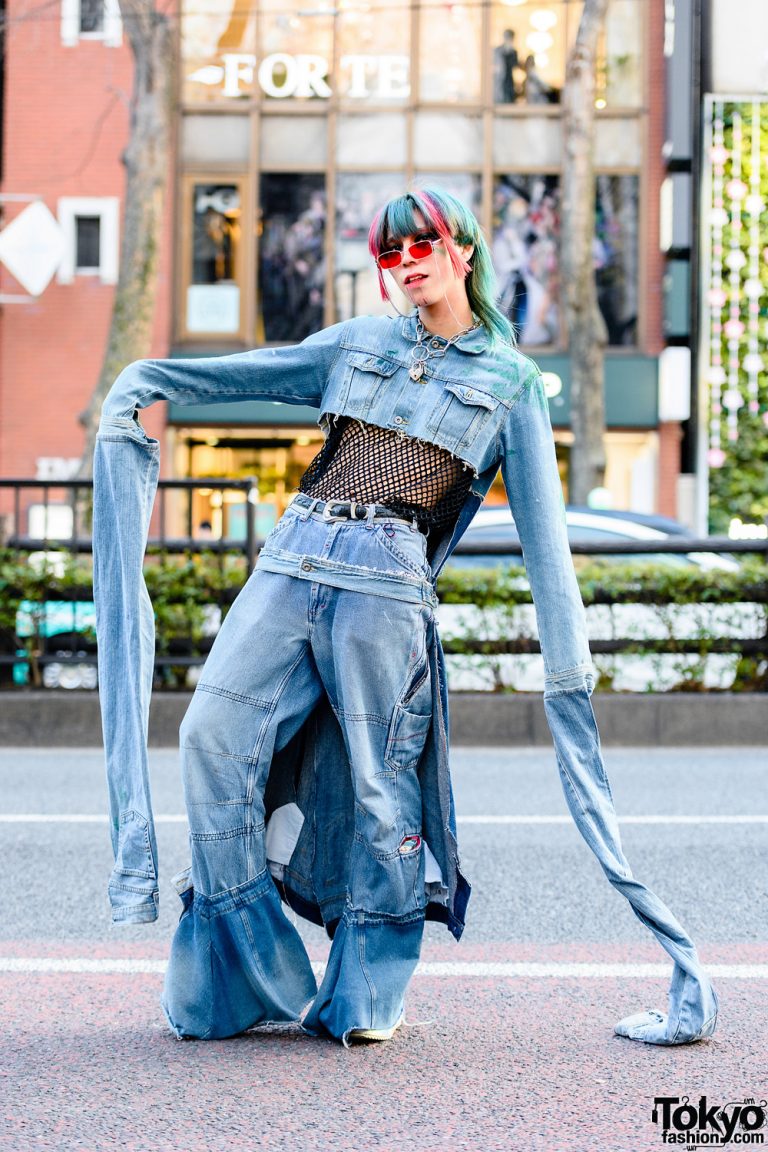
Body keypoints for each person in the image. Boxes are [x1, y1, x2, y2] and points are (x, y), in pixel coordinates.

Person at [93, 187, 718, 1048]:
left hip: (388, 591)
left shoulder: (511, 383)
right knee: (208, 737)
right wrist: (146, 383)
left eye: (422, 243)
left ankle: (363, 994)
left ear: (462, 248)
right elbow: (238, 372)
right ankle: (244, 973)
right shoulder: (357, 342)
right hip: (290, 560)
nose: (406, 262)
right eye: (390, 252)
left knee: (383, 791)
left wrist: (568, 674)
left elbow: (547, 544)